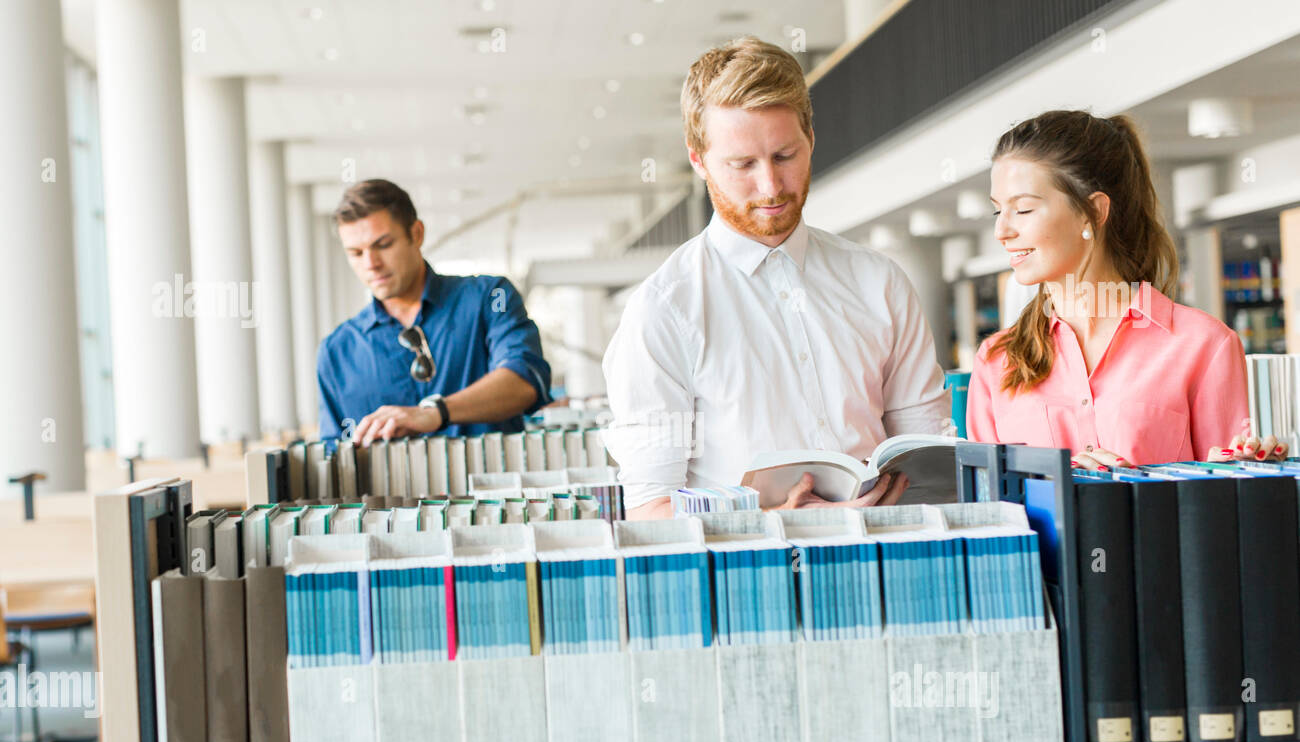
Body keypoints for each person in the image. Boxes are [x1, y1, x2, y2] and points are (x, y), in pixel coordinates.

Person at [601, 37, 949, 519]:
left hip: (887, 558)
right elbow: (650, 508)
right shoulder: (665, 308)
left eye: (785, 156)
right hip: (745, 577)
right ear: (698, 160)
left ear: (810, 137)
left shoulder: (880, 281)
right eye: (742, 164)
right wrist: (775, 523)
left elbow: (928, 454)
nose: (770, 187)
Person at [968, 110, 1287, 467]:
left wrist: (1250, 480)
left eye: (1023, 209)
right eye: (999, 212)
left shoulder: (1204, 345)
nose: (1002, 232)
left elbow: (1224, 509)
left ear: (1093, 211)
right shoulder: (996, 362)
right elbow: (990, 511)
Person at [316, 179, 552, 446]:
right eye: (356, 253)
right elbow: (334, 454)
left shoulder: (489, 298)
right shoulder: (337, 351)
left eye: (383, 245)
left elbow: (524, 381)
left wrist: (435, 413)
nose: (371, 264)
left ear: (416, 234)